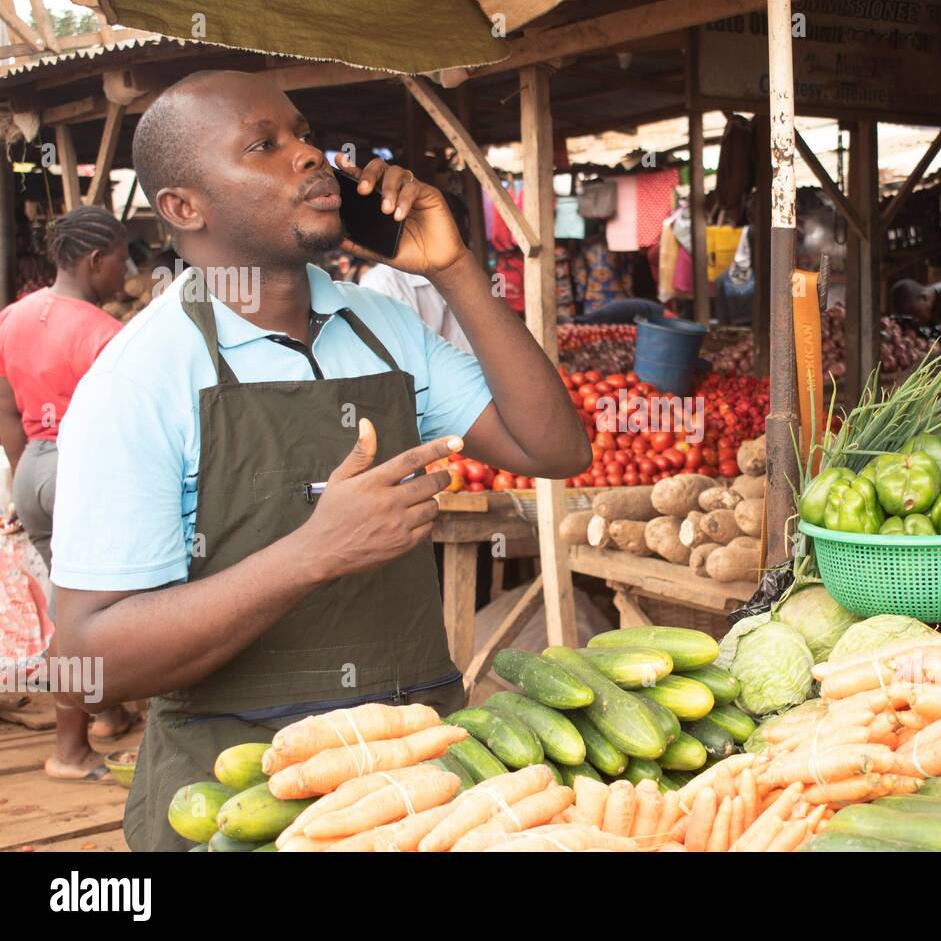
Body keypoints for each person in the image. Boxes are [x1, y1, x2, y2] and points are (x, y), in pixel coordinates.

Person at [49, 70, 591, 851]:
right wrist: (313, 553)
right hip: (239, 795)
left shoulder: (382, 327)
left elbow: (554, 447)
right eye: (264, 146)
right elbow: (87, 658)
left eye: (303, 134)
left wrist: (452, 269)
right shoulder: (142, 377)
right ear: (183, 207)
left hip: (416, 779)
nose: (309, 155)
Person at [0, 206, 140, 781]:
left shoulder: (13, 316)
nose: (127, 272)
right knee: (89, 617)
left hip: (32, 466)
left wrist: (23, 485)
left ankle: (106, 713)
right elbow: (127, 428)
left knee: (68, 601)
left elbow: (7, 410)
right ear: (95, 259)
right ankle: (70, 751)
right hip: (83, 471)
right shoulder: (105, 333)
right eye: (122, 258)